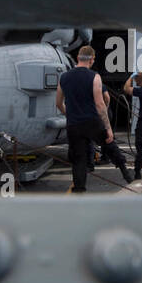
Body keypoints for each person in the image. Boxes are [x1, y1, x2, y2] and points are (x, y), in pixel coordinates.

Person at [56, 46, 133, 192]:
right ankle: (126, 174)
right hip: (92, 122)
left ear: (78, 58)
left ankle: (79, 190)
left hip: (73, 125)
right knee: (110, 146)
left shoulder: (64, 77)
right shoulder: (94, 77)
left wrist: (69, 114)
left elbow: (58, 103)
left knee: (78, 159)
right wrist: (108, 128)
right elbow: (100, 104)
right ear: (92, 60)